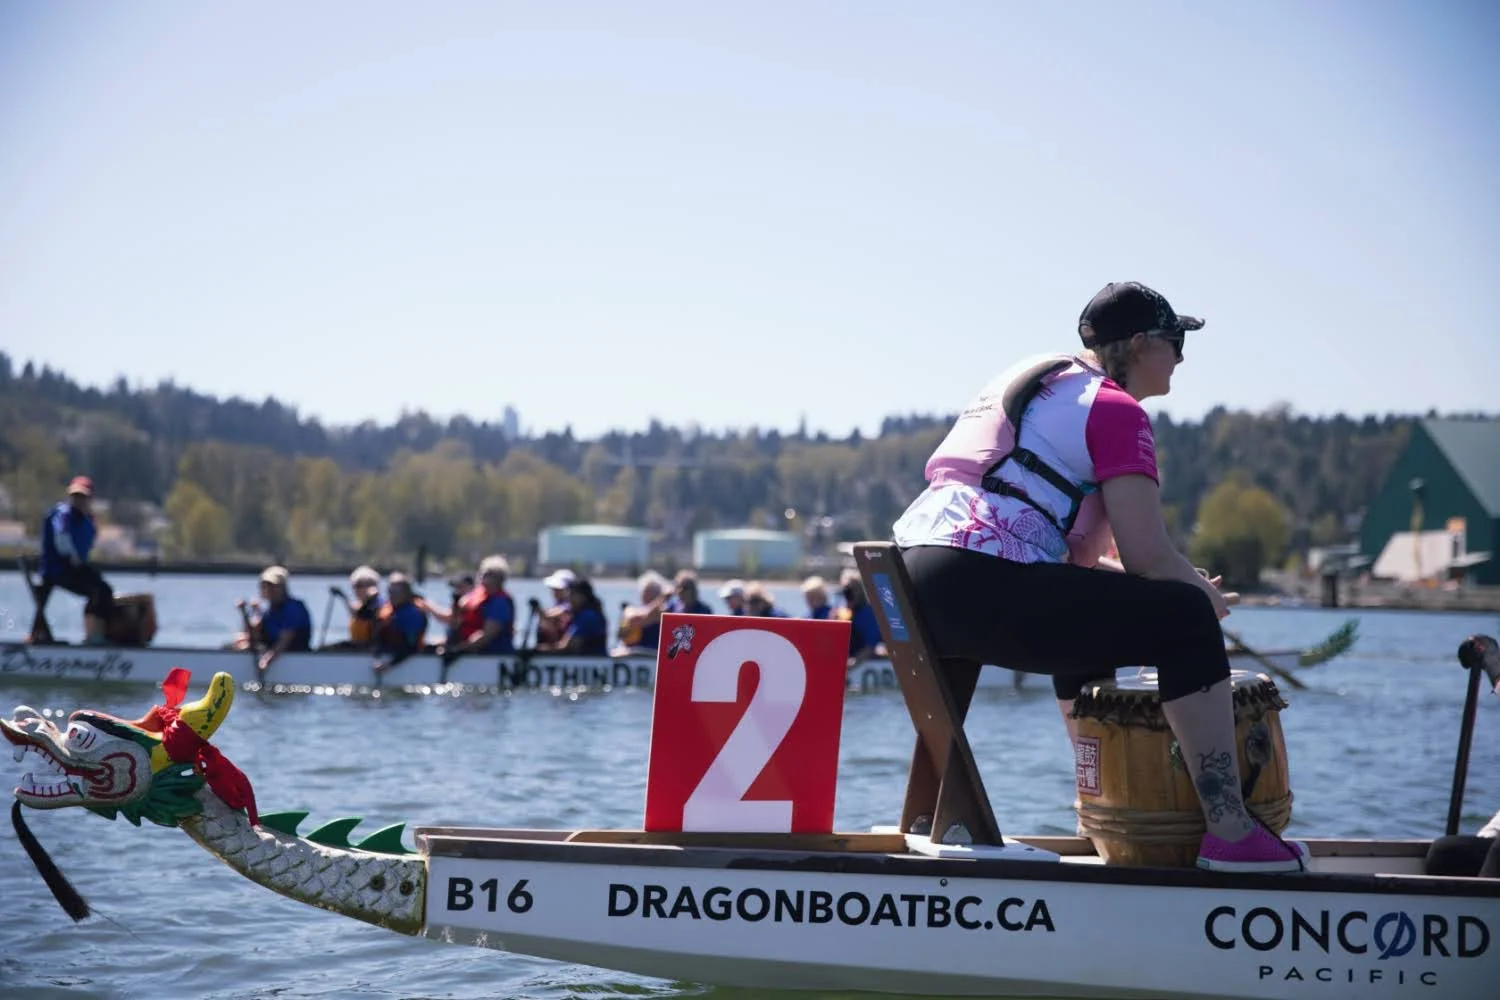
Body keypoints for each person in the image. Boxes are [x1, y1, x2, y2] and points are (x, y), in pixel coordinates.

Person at [890, 280, 1308, 874]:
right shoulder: (1116, 409)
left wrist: (1173, 580)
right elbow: (1149, 559)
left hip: (911, 578)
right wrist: (1201, 594)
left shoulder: (1050, 387)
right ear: (1139, 345)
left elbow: (1074, 563)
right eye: (1174, 341)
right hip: (978, 578)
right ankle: (1231, 832)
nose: (1182, 357)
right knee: (1184, 620)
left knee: (1091, 623)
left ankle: (1103, 811)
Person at [38, 476, 115, 644]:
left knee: (103, 591)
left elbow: (88, 542)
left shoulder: (87, 520)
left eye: (83, 497)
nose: (79, 500)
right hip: (58, 570)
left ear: (90, 499)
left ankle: (93, 637)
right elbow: (62, 539)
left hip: (74, 568)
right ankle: (92, 638)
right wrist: (73, 560)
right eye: (76, 496)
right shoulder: (63, 515)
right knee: (100, 590)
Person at [234, 565, 313, 674]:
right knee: (240, 640)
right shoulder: (269, 611)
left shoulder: (294, 608)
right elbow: (253, 636)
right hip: (272, 651)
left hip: (294, 654)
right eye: (265, 586)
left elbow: (284, 641)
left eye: (273, 586)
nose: (268, 590)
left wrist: (265, 662)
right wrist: (246, 613)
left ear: (284, 588)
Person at [441, 555, 515, 661]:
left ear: (499, 579)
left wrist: (460, 649)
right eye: (482, 574)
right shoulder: (476, 597)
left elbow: (487, 635)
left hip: (492, 656)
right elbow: (456, 619)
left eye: (488, 575)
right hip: (472, 652)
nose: (482, 578)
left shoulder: (500, 603)